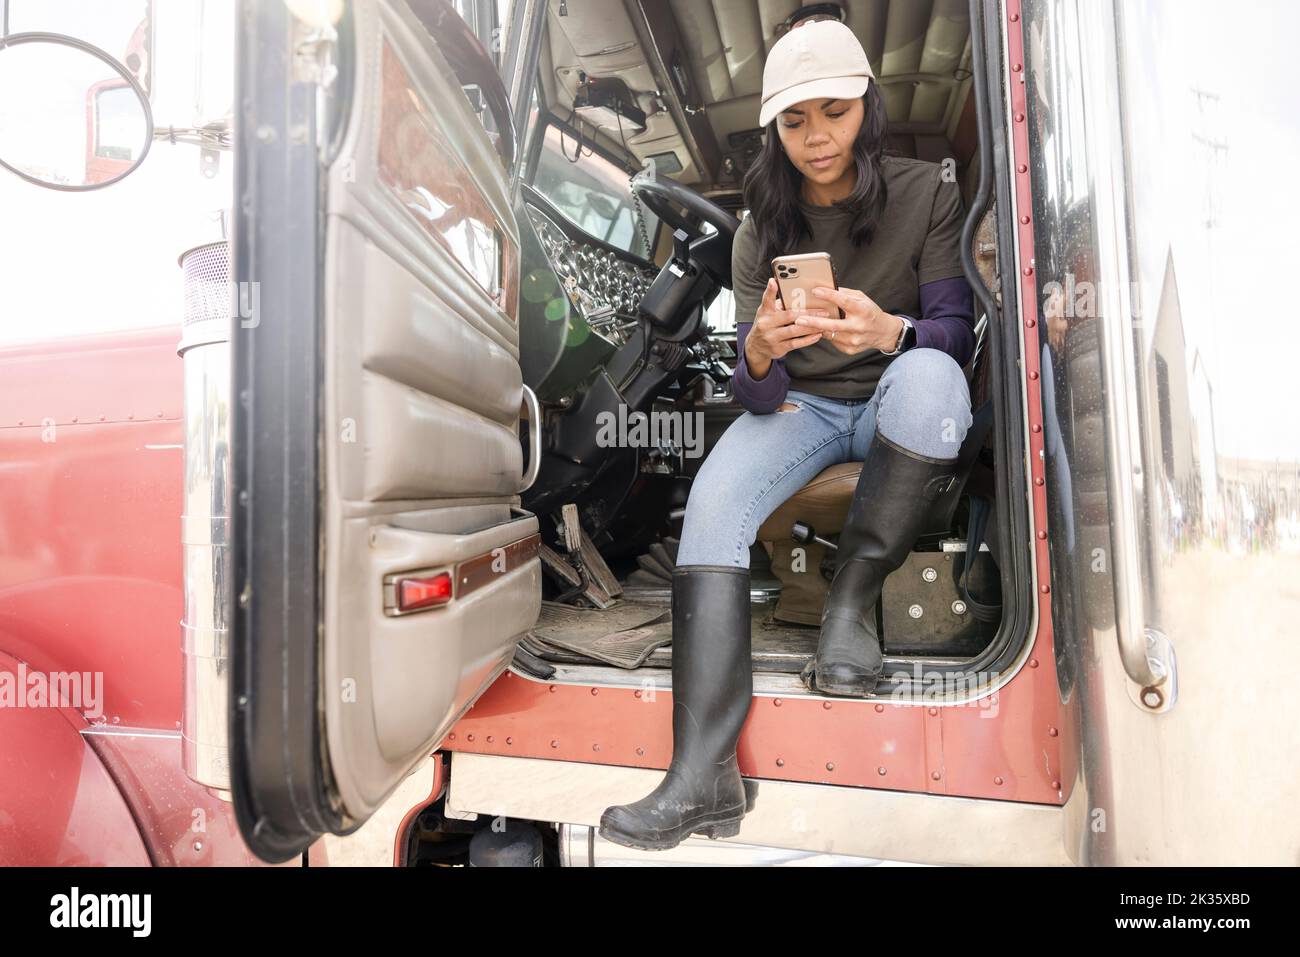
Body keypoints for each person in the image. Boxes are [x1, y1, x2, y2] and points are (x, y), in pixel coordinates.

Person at [599, 16, 975, 851]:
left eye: (835, 113)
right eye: (796, 121)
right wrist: (762, 351)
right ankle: (704, 777)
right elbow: (753, 393)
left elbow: (955, 330)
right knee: (713, 501)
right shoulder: (757, 230)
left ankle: (850, 604)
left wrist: (887, 333)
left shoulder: (928, 192)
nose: (817, 138)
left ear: (867, 109)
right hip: (802, 409)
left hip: (895, 396)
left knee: (930, 377)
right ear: (774, 129)